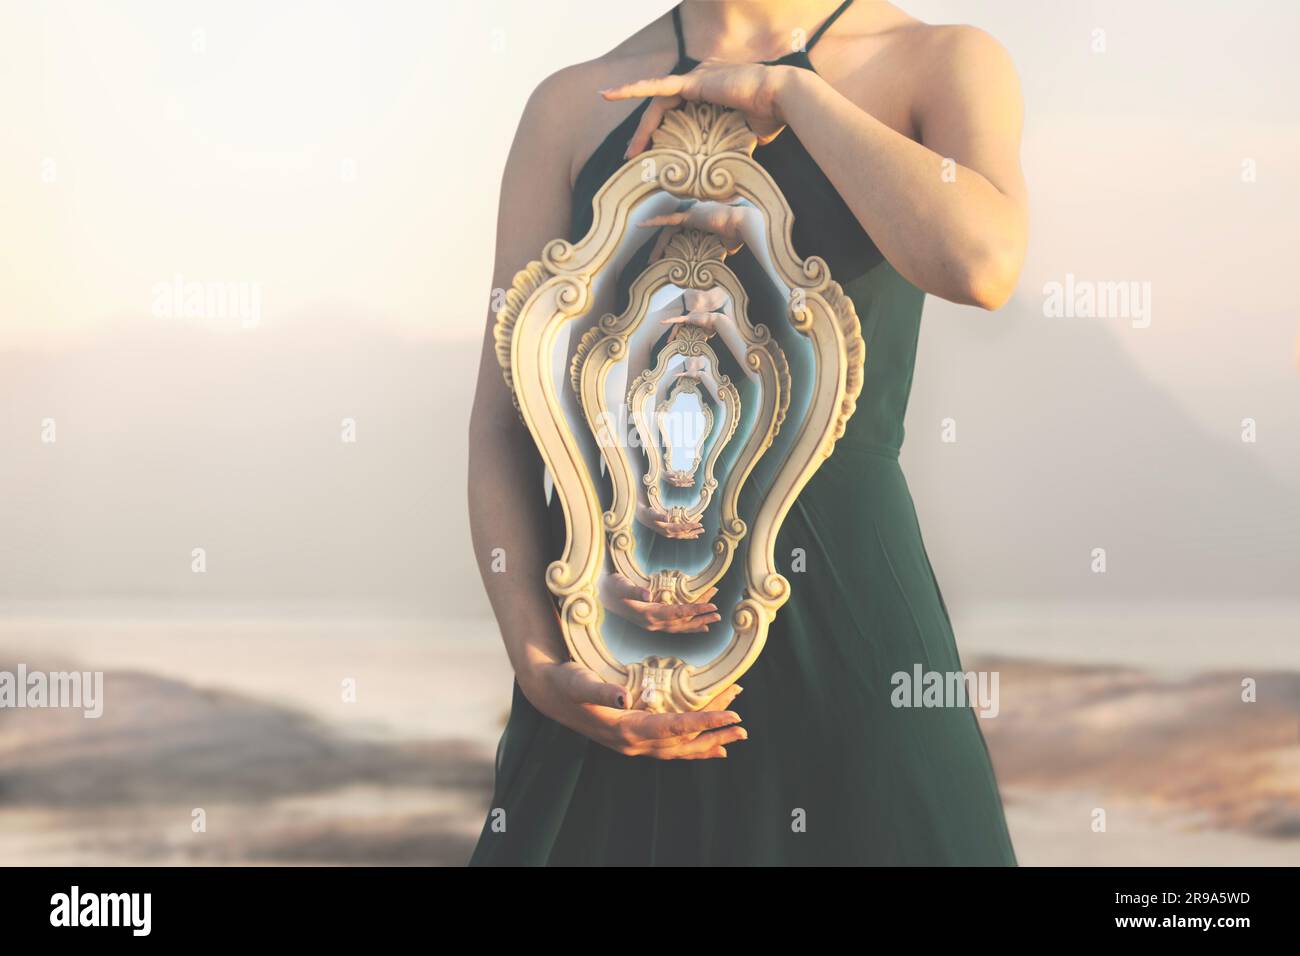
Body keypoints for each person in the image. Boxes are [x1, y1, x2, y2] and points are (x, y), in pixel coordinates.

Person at [467, 0, 1028, 865]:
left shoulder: (940, 61)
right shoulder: (572, 105)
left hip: (853, 638)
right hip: (616, 669)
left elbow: (981, 264)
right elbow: (504, 425)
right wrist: (540, 664)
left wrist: (793, 95)